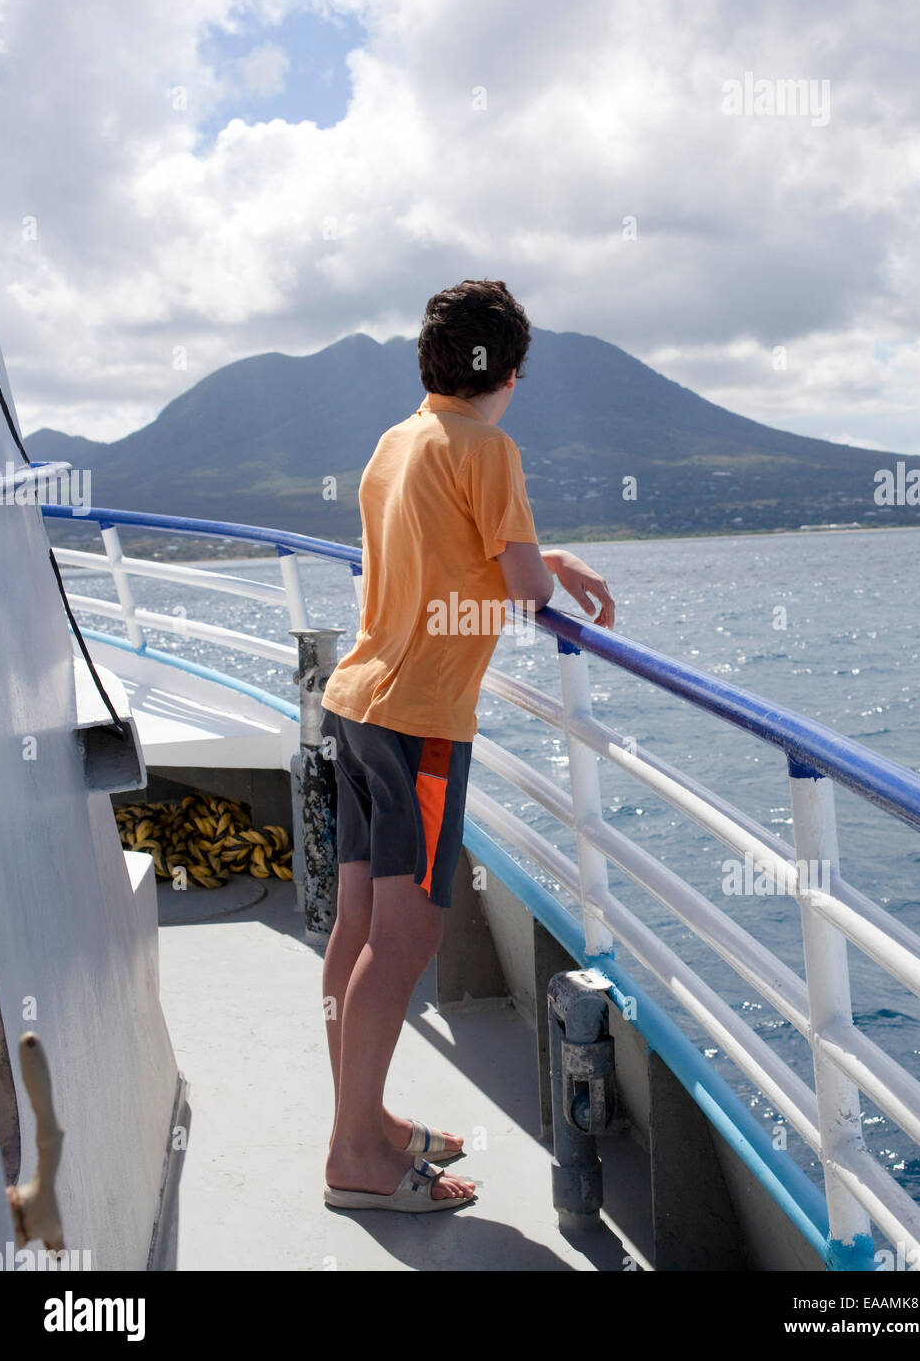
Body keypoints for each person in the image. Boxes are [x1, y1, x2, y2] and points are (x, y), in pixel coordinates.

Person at [319, 279, 616, 1212]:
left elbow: (452, 556)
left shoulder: (398, 440)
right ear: (511, 372)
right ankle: (354, 1157)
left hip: (358, 703)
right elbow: (525, 592)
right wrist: (546, 565)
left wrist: (536, 556)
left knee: (358, 927)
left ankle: (360, 1125)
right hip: (419, 725)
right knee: (407, 940)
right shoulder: (488, 446)